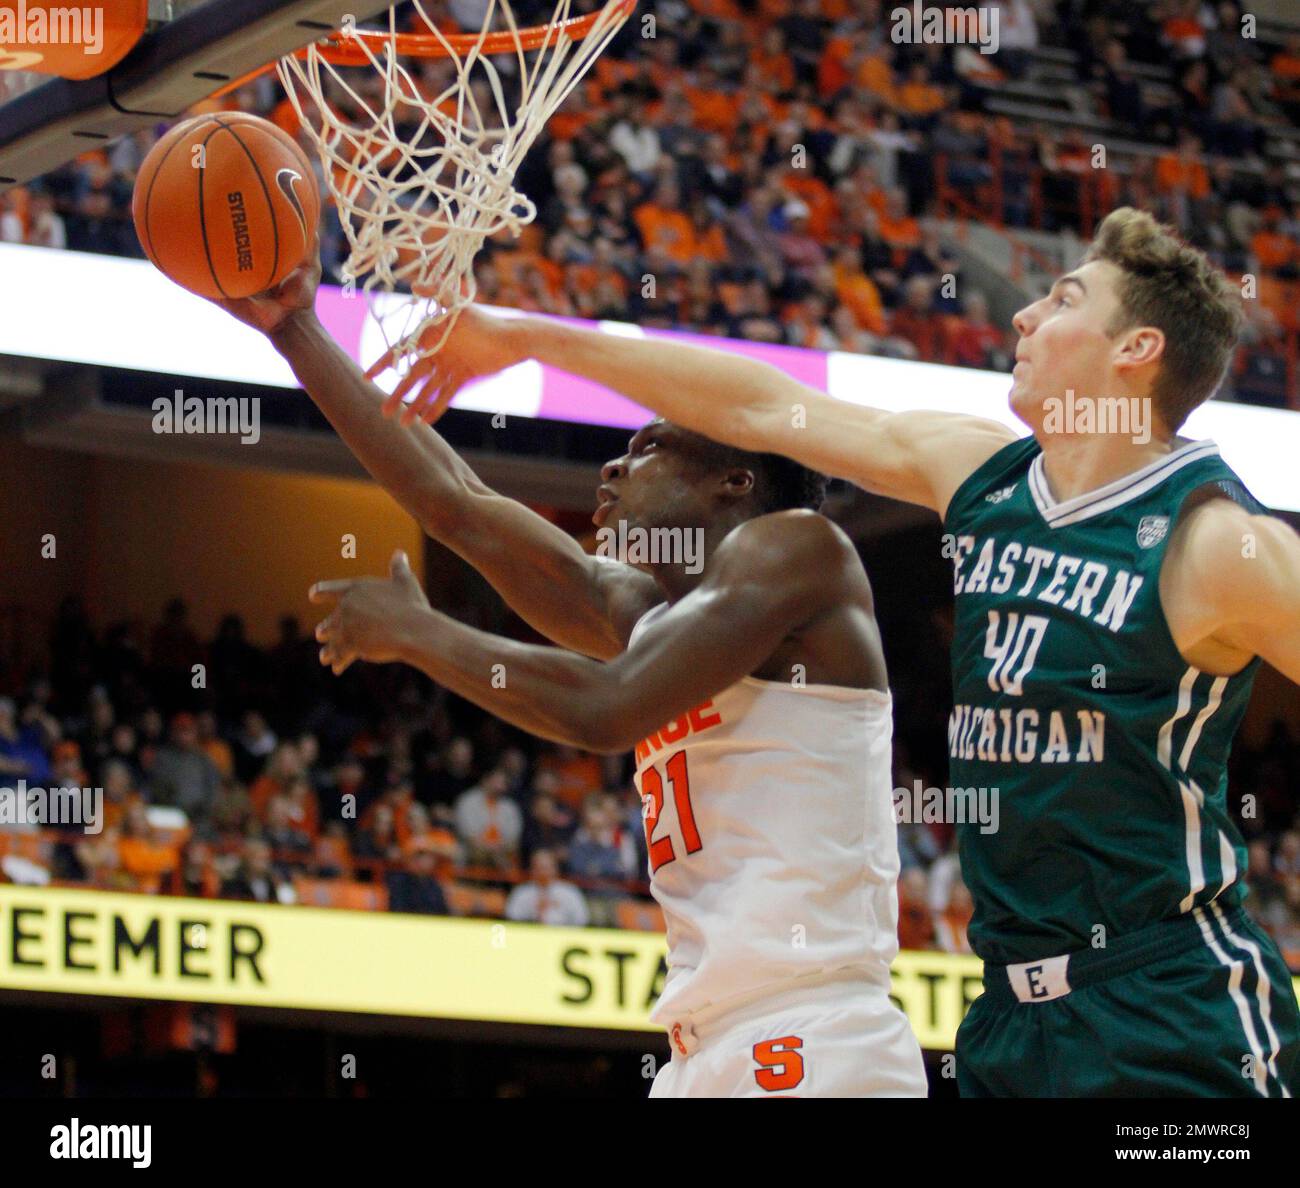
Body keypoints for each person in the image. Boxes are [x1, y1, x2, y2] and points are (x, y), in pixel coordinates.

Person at [395, 206, 1300, 1098]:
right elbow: (760, 404)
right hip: (1014, 1017)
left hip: (1172, 993)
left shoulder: (1216, 542)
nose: (1024, 317)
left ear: (1134, 350)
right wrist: (524, 337)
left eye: (1063, 301)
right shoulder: (979, 472)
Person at [205, 249, 926, 1099]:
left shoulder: (800, 550)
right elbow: (456, 506)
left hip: (814, 1033)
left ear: (737, 479)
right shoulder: (652, 615)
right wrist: (295, 329)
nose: (613, 470)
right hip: (706, 1047)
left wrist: (424, 636)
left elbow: (605, 710)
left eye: (648, 447)